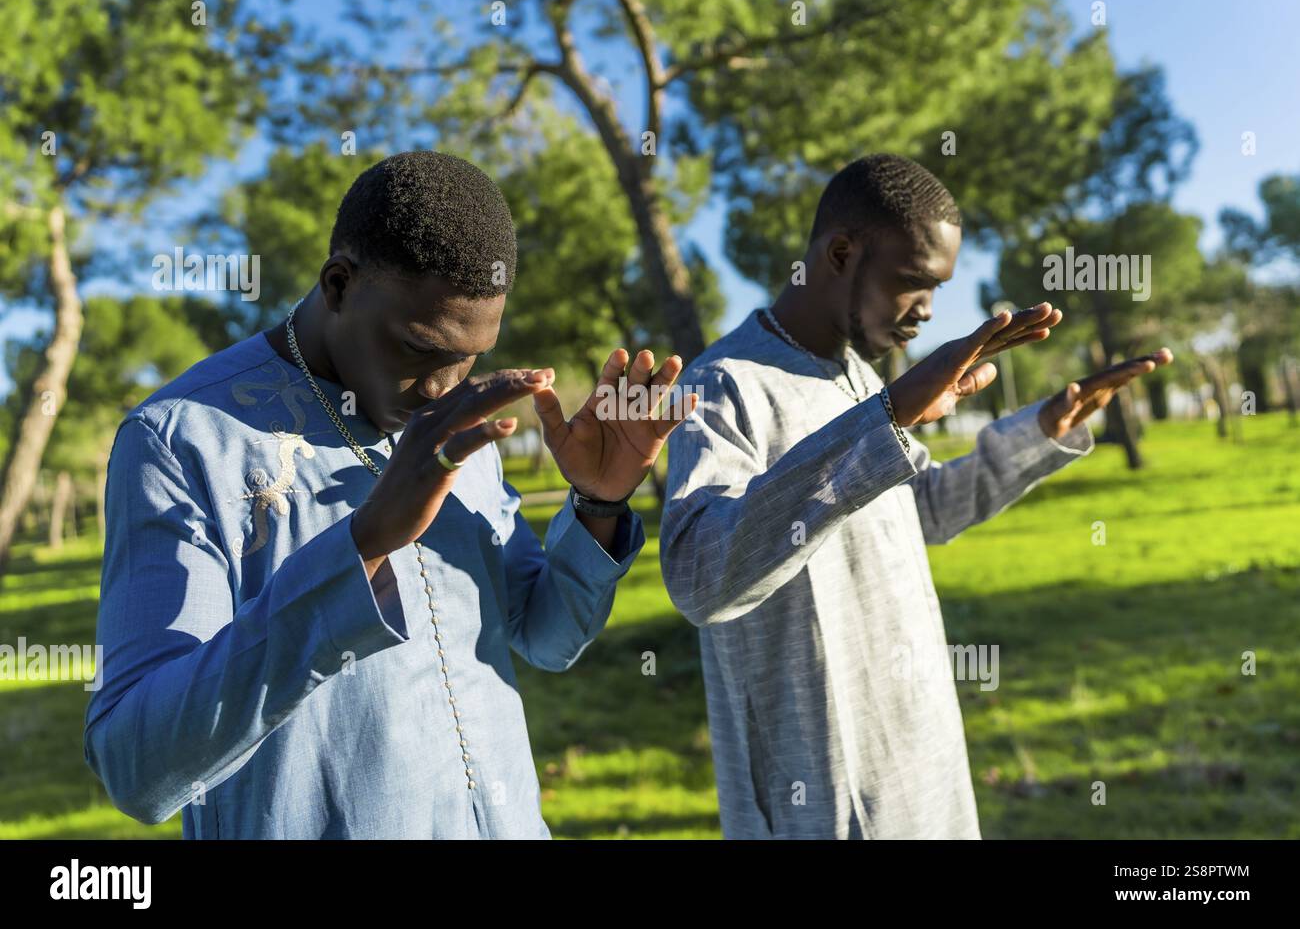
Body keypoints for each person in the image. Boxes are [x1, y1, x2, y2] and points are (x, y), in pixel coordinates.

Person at [84, 150, 695, 838]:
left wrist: (599, 505)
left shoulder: (461, 424)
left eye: (468, 356)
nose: (442, 389)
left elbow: (547, 639)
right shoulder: (180, 440)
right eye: (417, 349)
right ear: (339, 285)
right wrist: (362, 546)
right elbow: (136, 766)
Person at [659, 153, 1172, 839]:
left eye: (938, 288)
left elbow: (920, 509)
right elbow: (699, 578)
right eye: (912, 282)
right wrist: (891, 413)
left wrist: (1042, 431)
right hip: (814, 791)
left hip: (920, 765)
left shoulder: (858, 379)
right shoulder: (725, 383)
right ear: (841, 252)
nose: (929, 311)